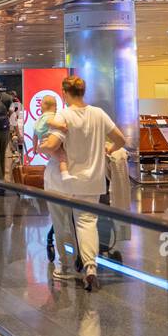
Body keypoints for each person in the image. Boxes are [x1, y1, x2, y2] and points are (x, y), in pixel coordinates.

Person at [38, 76, 127, 291]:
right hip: (91, 182)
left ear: (64, 93)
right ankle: (90, 268)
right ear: (83, 91)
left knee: (61, 224)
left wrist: (40, 147)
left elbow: (52, 145)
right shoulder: (98, 114)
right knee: (87, 224)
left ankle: (65, 267)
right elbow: (121, 140)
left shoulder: (64, 115)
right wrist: (108, 149)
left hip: (61, 182)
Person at [33, 95, 72, 180]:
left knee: (54, 159)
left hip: (42, 142)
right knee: (62, 157)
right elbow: (50, 122)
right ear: (53, 107)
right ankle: (65, 174)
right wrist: (61, 126)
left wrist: (34, 148)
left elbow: (35, 136)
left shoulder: (38, 120)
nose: (57, 108)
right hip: (49, 140)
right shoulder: (51, 116)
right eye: (56, 106)